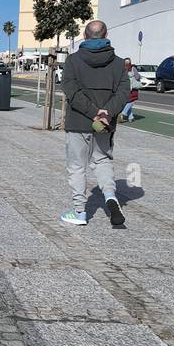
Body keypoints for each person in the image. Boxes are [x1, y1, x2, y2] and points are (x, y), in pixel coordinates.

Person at [59, 20, 130, 227]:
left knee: (77, 166)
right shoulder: (118, 62)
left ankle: (79, 211)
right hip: (105, 124)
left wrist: (93, 112)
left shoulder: (73, 60)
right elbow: (124, 92)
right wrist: (106, 112)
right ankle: (110, 196)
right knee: (102, 160)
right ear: (106, 34)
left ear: (84, 34)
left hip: (79, 122)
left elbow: (70, 90)